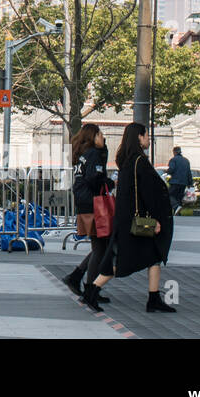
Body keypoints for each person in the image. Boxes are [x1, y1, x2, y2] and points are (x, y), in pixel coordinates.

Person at [84, 122, 175, 313]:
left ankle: (153, 298)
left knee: (153, 257)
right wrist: (156, 219)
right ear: (139, 138)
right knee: (121, 261)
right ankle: (92, 290)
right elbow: (149, 193)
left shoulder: (127, 160)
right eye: (146, 135)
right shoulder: (139, 162)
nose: (148, 139)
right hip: (136, 223)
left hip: (126, 220)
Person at [63, 123, 113, 305]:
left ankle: (77, 277)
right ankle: (90, 288)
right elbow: (94, 178)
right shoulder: (93, 154)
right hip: (94, 204)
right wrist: (109, 182)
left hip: (85, 203)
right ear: (93, 136)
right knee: (101, 248)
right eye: (101, 134)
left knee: (99, 247)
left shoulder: (84, 155)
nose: (103, 137)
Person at [166, 146, 192, 216]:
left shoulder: (173, 160)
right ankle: (178, 213)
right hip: (184, 183)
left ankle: (176, 207)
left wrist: (167, 171)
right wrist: (190, 183)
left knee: (169, 195)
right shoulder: (186, 161)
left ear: (174, 152)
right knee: (179, 197)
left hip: (175, 182)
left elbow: (171, 169)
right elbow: (189, 172)